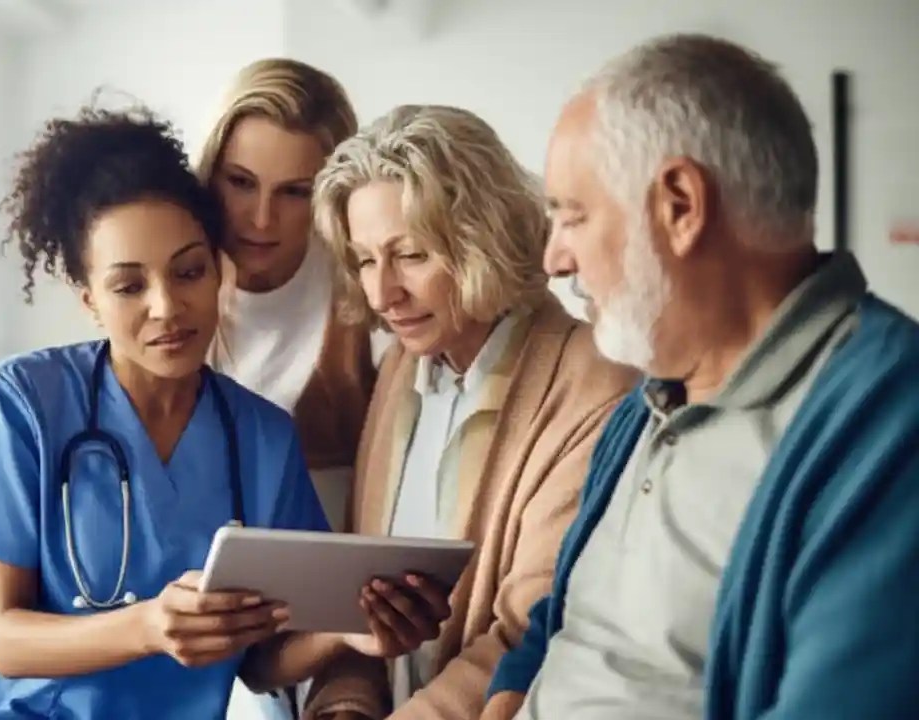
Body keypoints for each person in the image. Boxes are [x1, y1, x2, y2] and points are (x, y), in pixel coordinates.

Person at [0, 104, 411, 720]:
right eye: (129, 286)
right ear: (89, 301)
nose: (167, 307)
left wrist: (347, 634)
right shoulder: (22, 401)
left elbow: (260, 659)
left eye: (188, 271)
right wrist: (147, 626)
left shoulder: (261, 438)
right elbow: (4, 642)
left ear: (220, 270)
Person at [483, 34, 919, 720]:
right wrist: (508, 694)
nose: (554, 260)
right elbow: (563, 622)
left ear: (681, 206)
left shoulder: (888, 424)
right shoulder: (647, 401)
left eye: (572, 215)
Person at [303, 105, 638, 720]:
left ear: (482, 236)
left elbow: (530, 634)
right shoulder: (402, 368)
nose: (382, 294)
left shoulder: (597, 381)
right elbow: (362, 609)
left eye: (410, 255)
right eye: (366, 260)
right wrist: (344, 709)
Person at [198, 58, 379, 534]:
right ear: (210, 171)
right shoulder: (169, 282)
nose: (261, 219)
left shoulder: (366, 294)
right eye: (240, 182)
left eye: (294, 192)